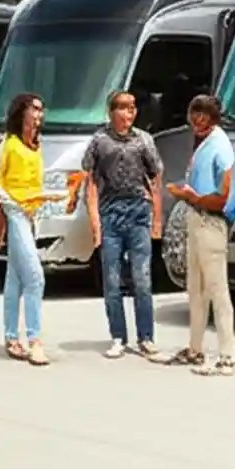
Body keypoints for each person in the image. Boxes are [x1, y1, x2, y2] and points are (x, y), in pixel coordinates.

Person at [160, 94, 235, 377]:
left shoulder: (220, 146)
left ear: (213, 119)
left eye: (203, 118)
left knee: (218, 290)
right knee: (195, 288)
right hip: (197, 220)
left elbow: (223, 197)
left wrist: (188, 196)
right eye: (194, 117)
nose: (197, 123)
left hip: (211, 222)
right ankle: (195, 349)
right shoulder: (203, 144)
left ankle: (226, 356)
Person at [81, 90, 165, 360]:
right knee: (112, 279)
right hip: (111, 212)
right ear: (112, 111)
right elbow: (90, 181)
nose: (129, 113)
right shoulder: (99, 141)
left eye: (132, 108)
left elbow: (155, 179)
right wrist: (95, 222)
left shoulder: (144, 141)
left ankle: (146, 337)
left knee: (142, 278)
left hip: (139, 210)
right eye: (124, 108)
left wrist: (157, 220)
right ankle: (118, 335)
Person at [0, 92, 66, 366]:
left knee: (16, 277)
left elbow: (33, 183)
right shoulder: (10, 144)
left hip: (32, 213)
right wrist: (10, 202)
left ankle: (11, 336)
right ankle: (35, 341)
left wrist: (48, 196)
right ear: (21, 111)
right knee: (35, 277)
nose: (39, 115)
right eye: (35, 109)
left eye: (41, 110)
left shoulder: (35, 145)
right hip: (15, 212)